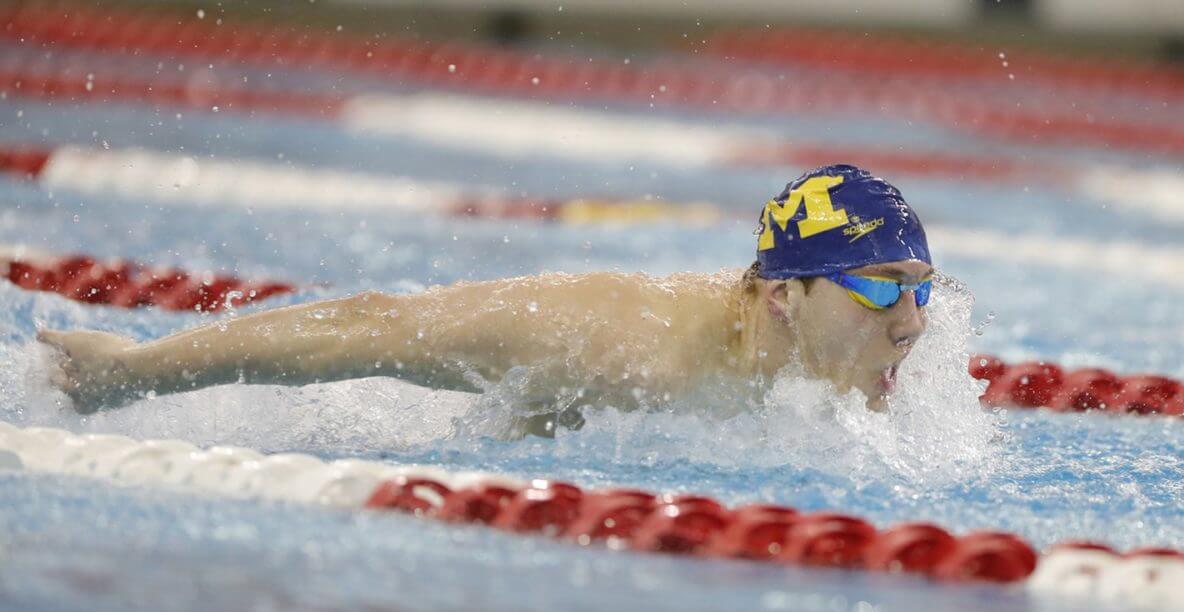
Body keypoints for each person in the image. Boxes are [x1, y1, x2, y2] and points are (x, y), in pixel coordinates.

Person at [39, 165, 933, 436]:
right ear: (781, 296)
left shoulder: (865, 363)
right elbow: (371, 327)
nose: (913, 324)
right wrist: (134, 374)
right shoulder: (631, 347)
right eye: (881, 290)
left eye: (922, 291)